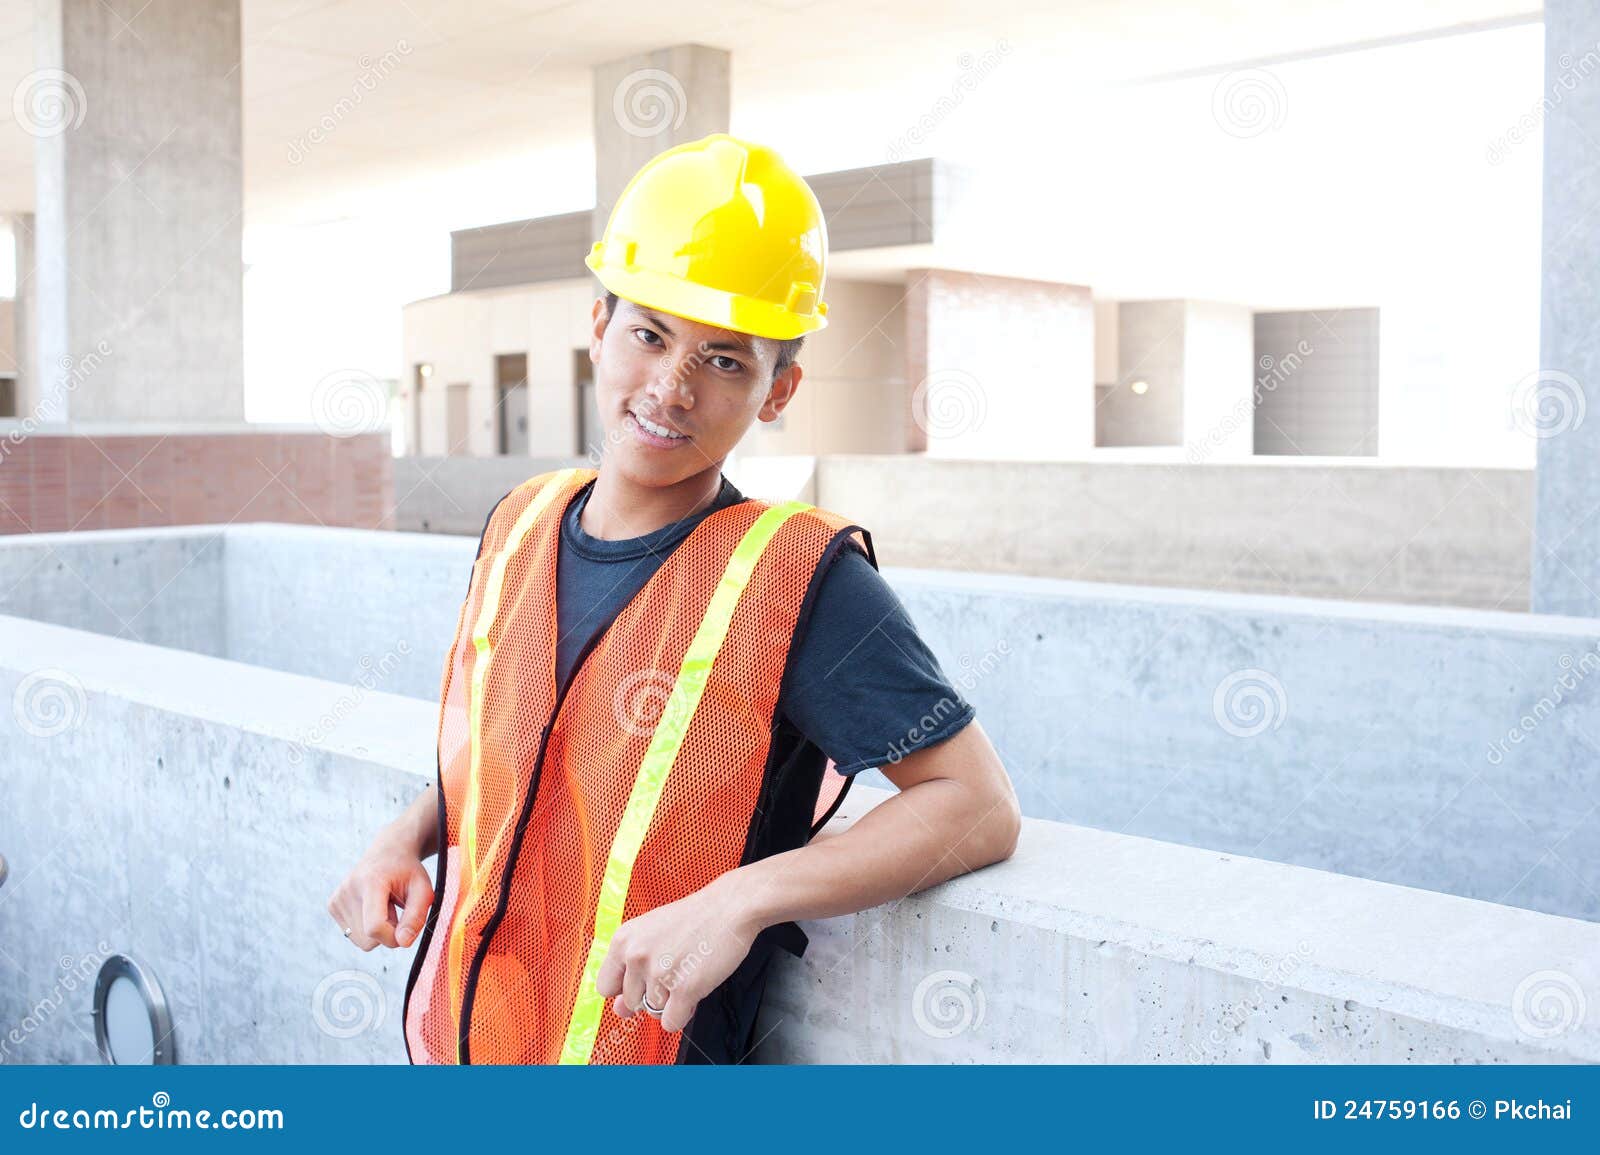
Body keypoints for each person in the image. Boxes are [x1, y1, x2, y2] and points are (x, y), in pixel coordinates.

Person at [327, 133, 1020, 1065]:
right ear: (598, 328)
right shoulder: (521, 525)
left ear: (780, 390)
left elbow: (975, 805)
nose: (671, 387)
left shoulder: (797, 580)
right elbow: (525, 747)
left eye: (725, 360)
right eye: (649, 335)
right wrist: (405, 834)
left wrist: (744, 897)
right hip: (471, 1045)